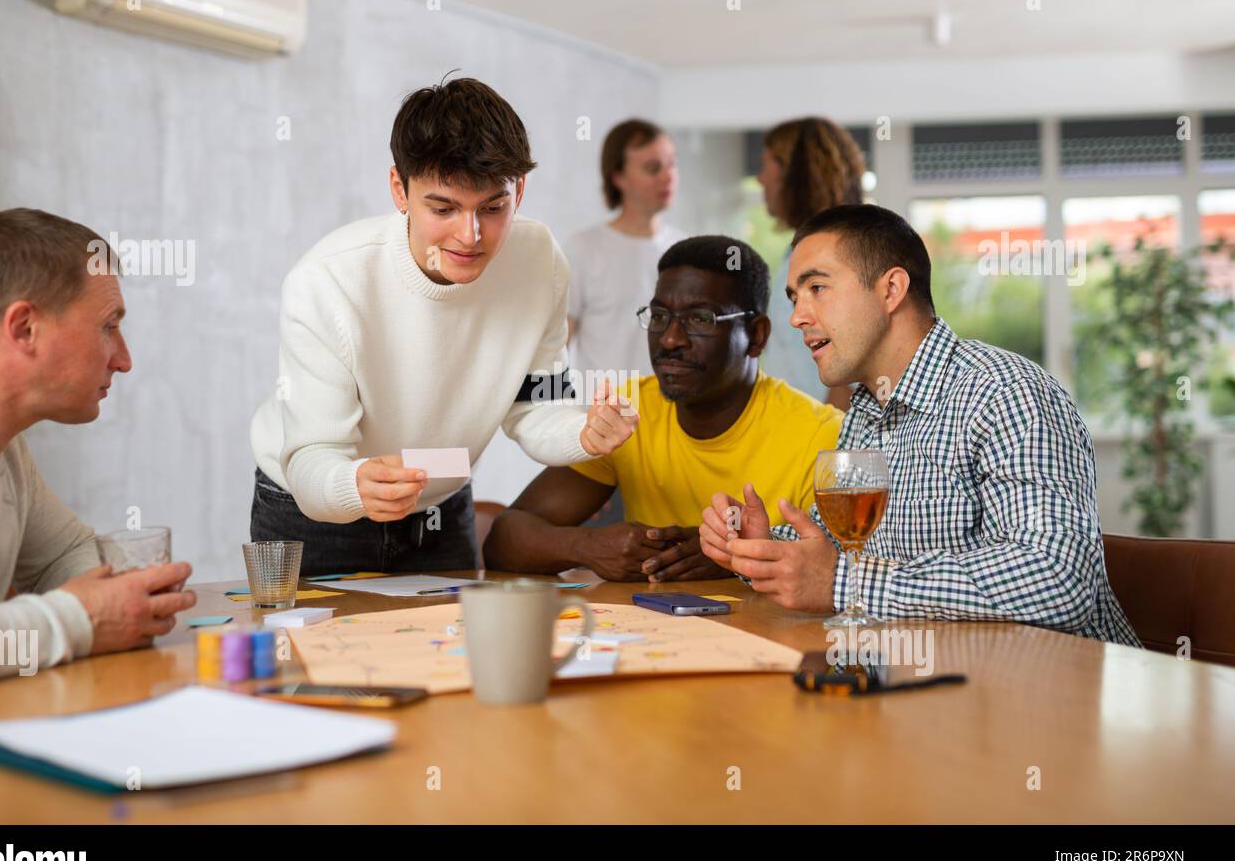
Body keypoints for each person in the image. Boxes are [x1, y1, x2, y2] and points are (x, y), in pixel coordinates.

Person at [698, 204, 1141, 646]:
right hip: (940, 687)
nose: (797, 317)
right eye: (796, 297)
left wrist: (844, 585)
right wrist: (763, 547)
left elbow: (1059, 579)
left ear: (891, 290)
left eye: (817, 287)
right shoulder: (865, 413)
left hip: (1056, 697)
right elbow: (841, 550)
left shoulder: (1007, 394)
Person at [249, 77, 637, 576]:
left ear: (519, 189)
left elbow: (538, 407)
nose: (470, 236)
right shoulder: (327, 281)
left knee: (450, 654)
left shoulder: (540, 262)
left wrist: (585, 433)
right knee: (318, 655)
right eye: (443, 208)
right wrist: (354, 486)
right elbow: (312, 458)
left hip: (440, 507)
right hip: (313, 512)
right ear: (399, 189)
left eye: (493, 208)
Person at [0, 209, 197, 689]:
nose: (124, 359)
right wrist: (81, 621)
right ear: (24, 329)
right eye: (108, 326)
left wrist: (122, 598)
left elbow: (64, 555)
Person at [484, 236, 842, 583]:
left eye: (700, 319)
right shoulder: (629, 411)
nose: (670, 339)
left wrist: (729, 556)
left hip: (770, 636)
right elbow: (505, 538)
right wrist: (590, 547)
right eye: (659, 316)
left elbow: (848, 564)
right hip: (651, 637)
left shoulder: (821, 434)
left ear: (756, 336)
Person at [756, 117, 865, 410]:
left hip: (823, 443)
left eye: (767, 165)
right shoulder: (800, 251)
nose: (760, 179)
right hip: (796, 435)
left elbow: (854, 369)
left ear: (794, 175)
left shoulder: (839, 250)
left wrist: (830, 446)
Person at [565, 118, 685, 381]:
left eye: (671, 164)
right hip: (603, 415)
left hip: (671, 415)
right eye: (653, 168)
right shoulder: (583, 249)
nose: (668, 176)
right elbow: (557, 348)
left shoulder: (685, 251)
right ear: (618, 177)